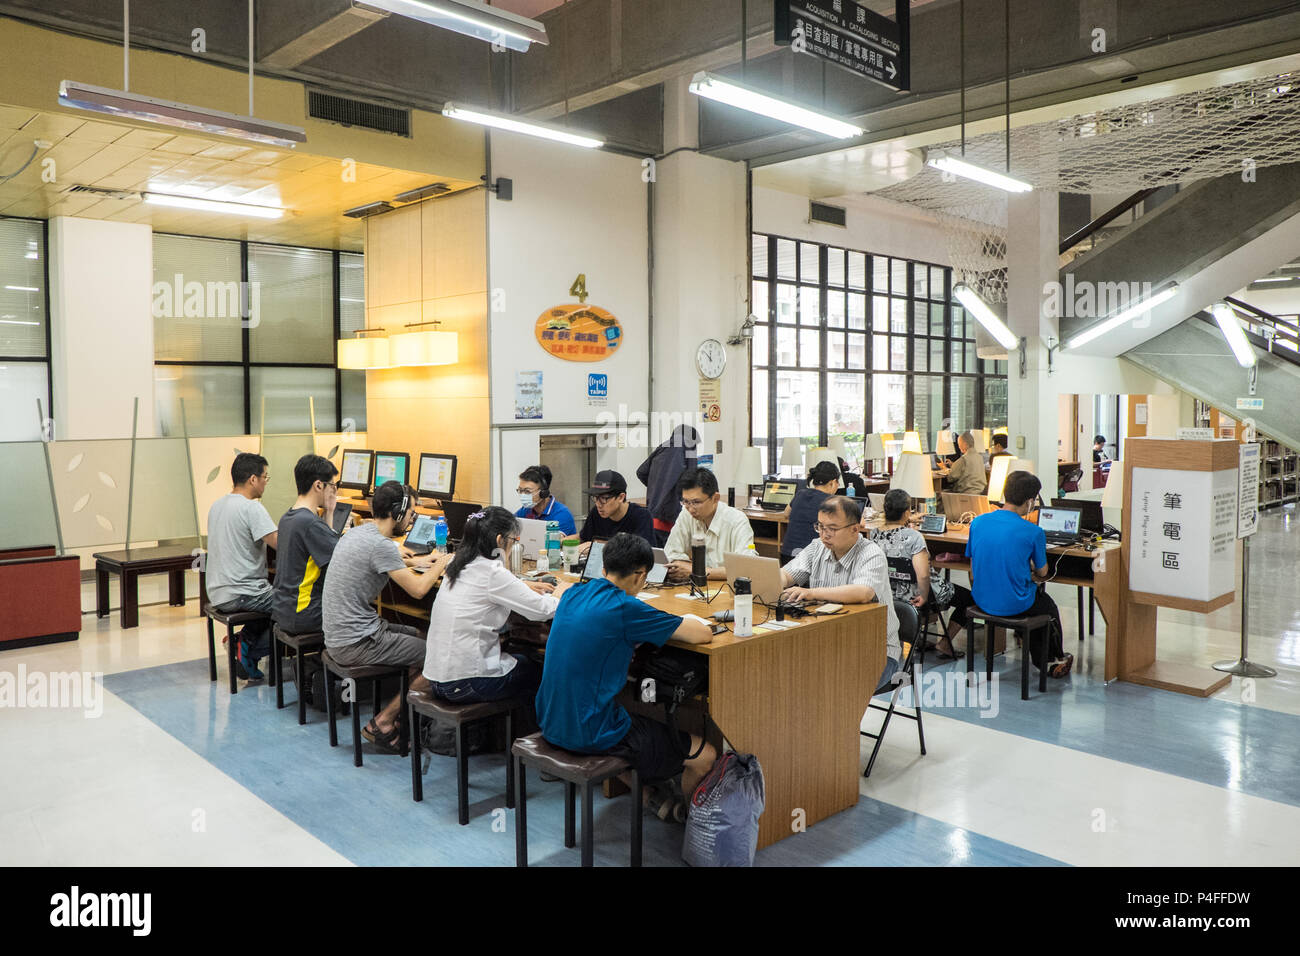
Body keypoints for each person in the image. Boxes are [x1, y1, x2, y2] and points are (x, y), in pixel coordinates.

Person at [536, 533, 716, 815]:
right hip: (590, 732)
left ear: (604, 567)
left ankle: (650, 798)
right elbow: (701, 635)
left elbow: (564, 595)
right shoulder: (625, 608)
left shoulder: (573, 594)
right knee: (705, 754)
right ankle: (691, 826)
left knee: (629, 712)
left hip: (550, 719)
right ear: (640, 575)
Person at [322, 481, 450, 752]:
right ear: (398, 512)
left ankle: (406, 714)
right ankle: (384, 722)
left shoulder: (360, 533)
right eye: (411, 514)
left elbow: (378, 558)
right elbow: (417, 590)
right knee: (437, 655)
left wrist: (414, 562)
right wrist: (440, 562)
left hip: (339, 635)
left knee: (420, 636)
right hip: (356, 642)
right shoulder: (382, 547)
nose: (412, 519)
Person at [423, 506, 569, 703]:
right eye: (513, 541)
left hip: (438, 679)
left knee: (519, 656)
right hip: (467, 683)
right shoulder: (492, 572)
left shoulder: (457, 563)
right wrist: (561, 592)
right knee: (539, 668)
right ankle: (527, 731)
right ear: (500, 540)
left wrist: (520, 585)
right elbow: (543, 611)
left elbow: (485, 587)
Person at [780, 495, 901, 688]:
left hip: (875, 651)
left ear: (855, 529)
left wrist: (812, 593)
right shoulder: (817, 547)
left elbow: (863, 592)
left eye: (832, 529)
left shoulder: (871, 553)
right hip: (828, 644)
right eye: (820, 526)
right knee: (786, 671)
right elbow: (787, 574)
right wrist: (770, 579)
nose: (824, 534)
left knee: (827, 685)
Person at [967, 471, 1073, 679]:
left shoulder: (977, 522)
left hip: (981, 599)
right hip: (1015, 605)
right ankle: (1050, 660)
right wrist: (1029, 565)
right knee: (1047, 607)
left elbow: (973, 568)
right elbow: (1043, 573)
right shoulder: (1033, 532)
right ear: (1029, 502)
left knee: (1033, 601)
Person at [870, 489, 973, 662]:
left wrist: (907, 519)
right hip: (916, 595)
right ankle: (945, 644)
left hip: (890, 593)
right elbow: (923, 575)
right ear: (906, 512)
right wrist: (924, 596)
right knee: (969, 599)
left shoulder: (874, 533)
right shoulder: (914, 537)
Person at [206, 452, 278, 680]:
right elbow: (280, 544)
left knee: (277, 597)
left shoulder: (217, 506)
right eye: (265, 477)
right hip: (244, 592)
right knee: (295, 606)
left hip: (218, 592)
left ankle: (243, 641)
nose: (266, 482)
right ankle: (246, 647)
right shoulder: (252, 508)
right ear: (253, 479)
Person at [272, 454, 341, 637]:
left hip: (285, 610)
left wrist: (330, 512)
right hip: (306, 613)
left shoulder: (289, 517)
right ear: (319, 485)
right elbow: (342, 560)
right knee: (362, 616)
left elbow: (327, 547)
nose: (334, 492)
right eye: (333, 486)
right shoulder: (310, 524)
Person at [663, 467, 755, 581]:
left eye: (696, 502)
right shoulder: (686, 514)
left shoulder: (737, 520)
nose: (690, 509)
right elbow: (671, 554)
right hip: (695, 588)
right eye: (686, 501)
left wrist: (697, 571)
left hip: (726, 590)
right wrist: (683, 567)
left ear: (715, 498)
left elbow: (746, 568)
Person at [636, 424, 700, 547]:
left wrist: (655, 489)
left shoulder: (663, 446)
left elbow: (641, 472)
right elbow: (692, 480)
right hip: (672, 516)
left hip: (652, 515)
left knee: (657, 558)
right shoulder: (687, 447)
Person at [577, 470, 654, 553]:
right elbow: (583, 539)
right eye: (595, 497)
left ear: (621, 497)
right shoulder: (596, 513)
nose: (598, 504)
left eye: (604, 498)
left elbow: (643, 554)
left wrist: (599, 547)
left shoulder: (641, 516)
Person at [781, 460, 840, 563]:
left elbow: (786, 514)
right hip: (811, 560)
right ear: (833, 482)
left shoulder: (801, 494)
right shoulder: (832, 502)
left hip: (787, 556)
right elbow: (859, 522)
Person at [514, 464, 576, 535]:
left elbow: (553, 543)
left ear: (544, 493)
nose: (523, 495)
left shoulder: (562, 514)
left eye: (527, 491)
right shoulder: (525, 511)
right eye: (520, 490)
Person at [938, 430, 988, 495]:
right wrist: (953, 464)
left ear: (965, 444)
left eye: (959, 444)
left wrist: (943, 467)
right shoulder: (979, 457)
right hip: (981, 492)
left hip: (967, 493)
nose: (959, 447)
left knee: (940, 494)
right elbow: (968, 469)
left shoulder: (964, 459)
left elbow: (951, 477)